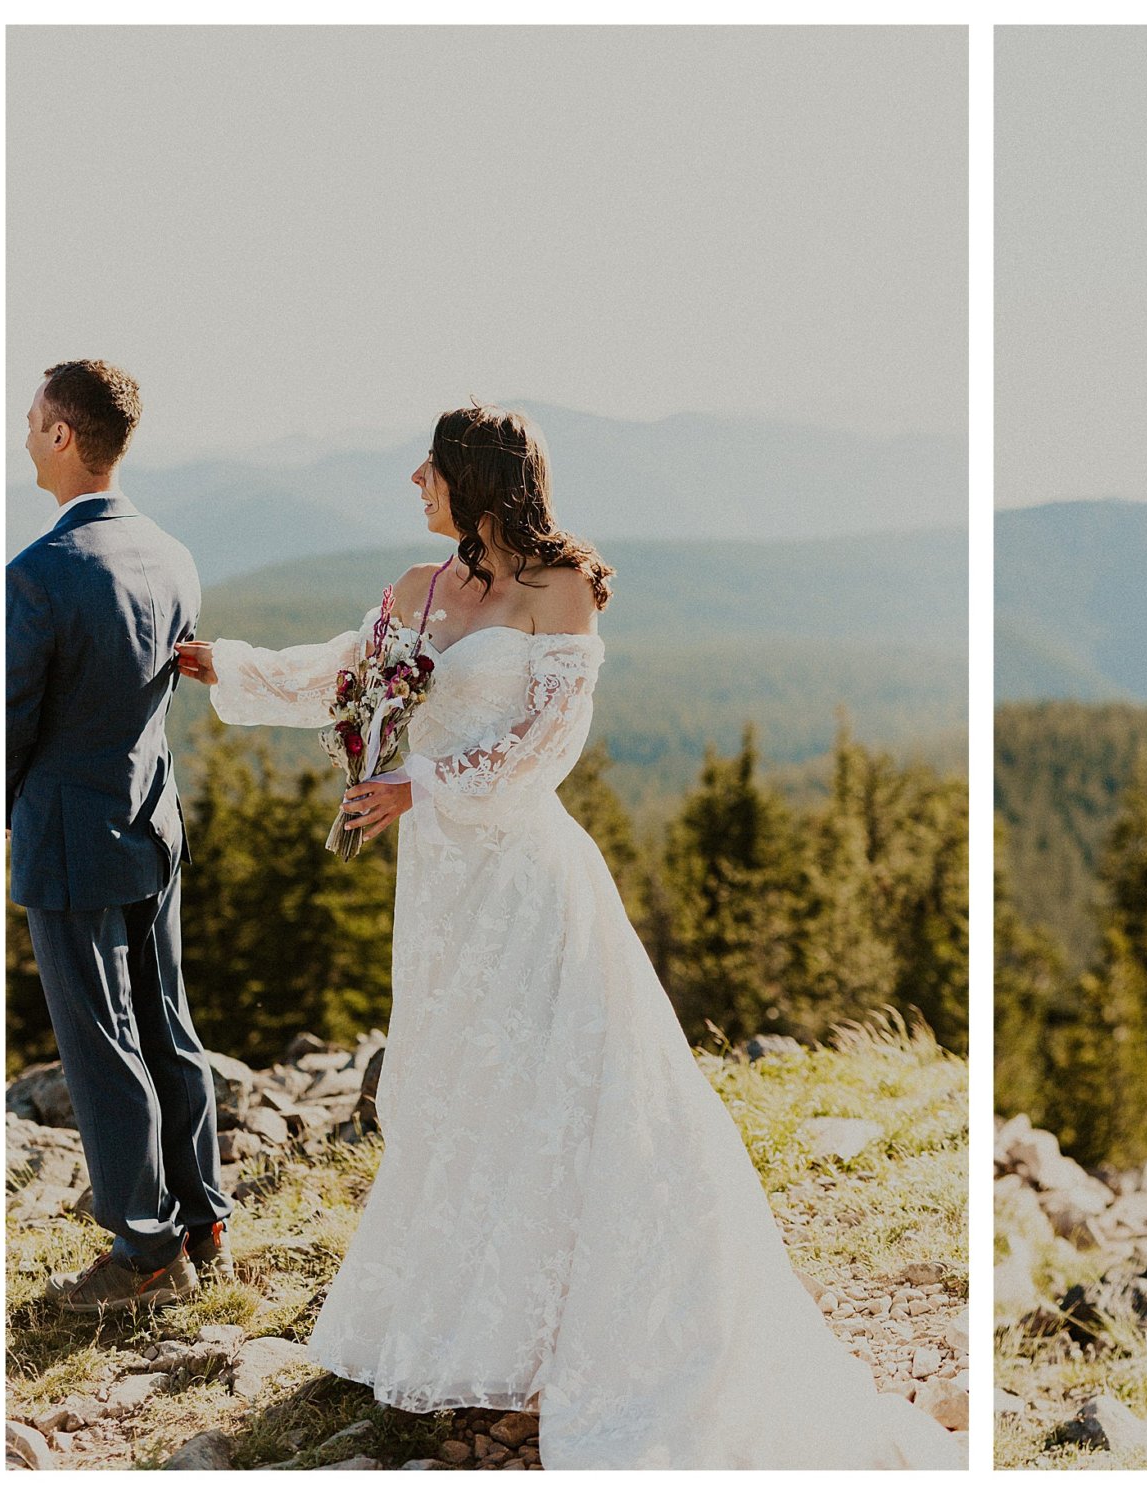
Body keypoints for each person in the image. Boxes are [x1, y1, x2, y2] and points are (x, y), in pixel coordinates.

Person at [175, 403, 960, 1469]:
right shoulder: (418, 590)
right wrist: (227, 663)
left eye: (433, 465)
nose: (414, 478)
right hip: (441, 890)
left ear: (479, 478)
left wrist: (420, 786)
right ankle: (480, 1337)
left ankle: (572, 1347)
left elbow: (545, 744)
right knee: (458, 1091)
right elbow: (341, 673)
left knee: (560, 1094)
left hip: (525, 880)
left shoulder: (562, 591)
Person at [7, 360, 234, 1314]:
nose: (22, 434)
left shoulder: (40, 575)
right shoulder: (171, 554)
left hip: (69, 835)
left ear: (64, 435)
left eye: (31, 419)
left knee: (101, 1039)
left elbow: (4, 722)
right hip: (152, 818)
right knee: (165, 1019)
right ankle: (205, 1214)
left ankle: (145, 1249)